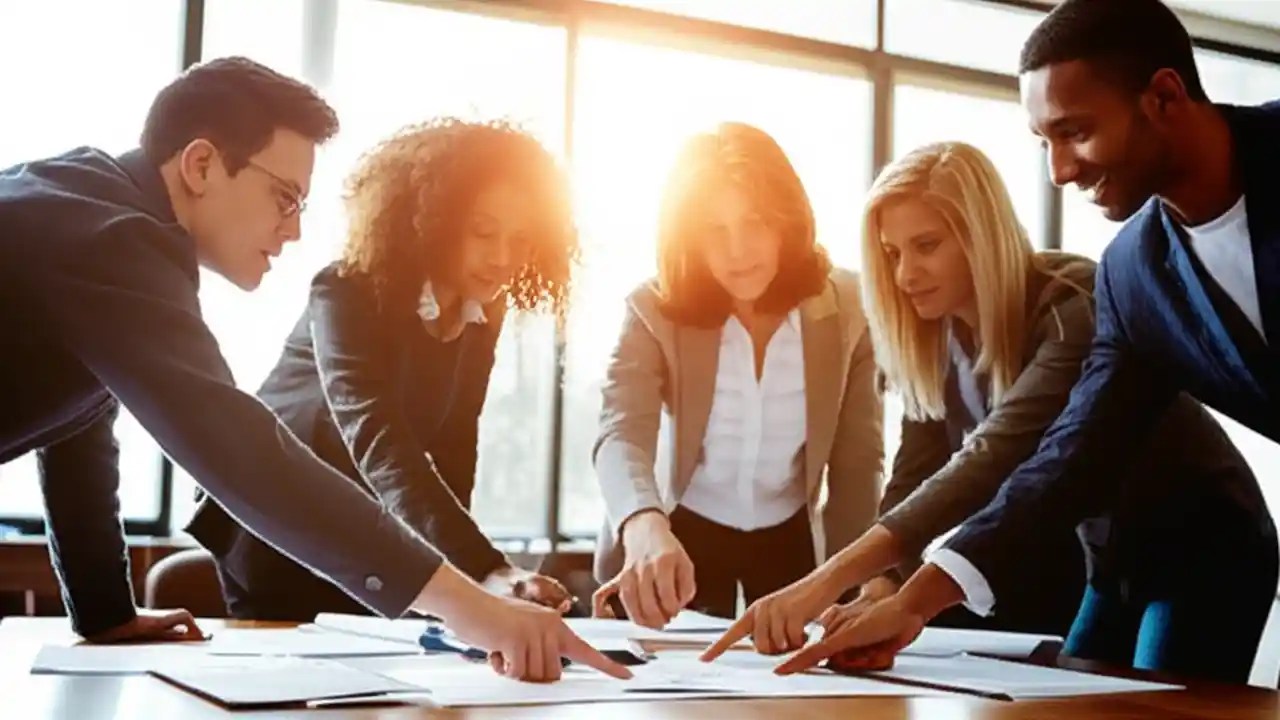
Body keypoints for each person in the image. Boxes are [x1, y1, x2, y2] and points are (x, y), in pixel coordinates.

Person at [0, 56, 628, 682]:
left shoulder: (88, 204)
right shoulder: (114, 240)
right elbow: (243, 450)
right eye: (285, 197)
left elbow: (78, 433)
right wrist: (477, 611)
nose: (295, 230)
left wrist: (105, 613)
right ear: (200, 166)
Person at [771, 0, 1280, 684]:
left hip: (1208, 544)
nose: (1060, 171)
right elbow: (1067, 459)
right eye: (1044, 141)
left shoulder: (1070, 297)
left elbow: (996, 455)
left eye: (1075, 133)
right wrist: (906, 598)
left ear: (1163, 96)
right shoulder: (1132, 274)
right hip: (1117, 557)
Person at [189, 119, 579, 620]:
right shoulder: (346, 289)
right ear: (435, 221)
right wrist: (485, 569)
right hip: (275, 527)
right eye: (483, 232)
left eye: (522, 239)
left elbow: (456, 445)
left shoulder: (483, 311)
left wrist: (471, 571)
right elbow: (377, 436)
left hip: (368, 526)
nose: (504, 258)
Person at [590, 122, 884, 628]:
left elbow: (858, 464)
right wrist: (643, 524)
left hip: (791, 535)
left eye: (755, 223)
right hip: (678, 530)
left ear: (786, 222)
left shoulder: (851, 309)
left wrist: (854, 584)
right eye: (715, 230)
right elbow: (621, 433)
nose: (737, 250)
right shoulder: (651, 308)